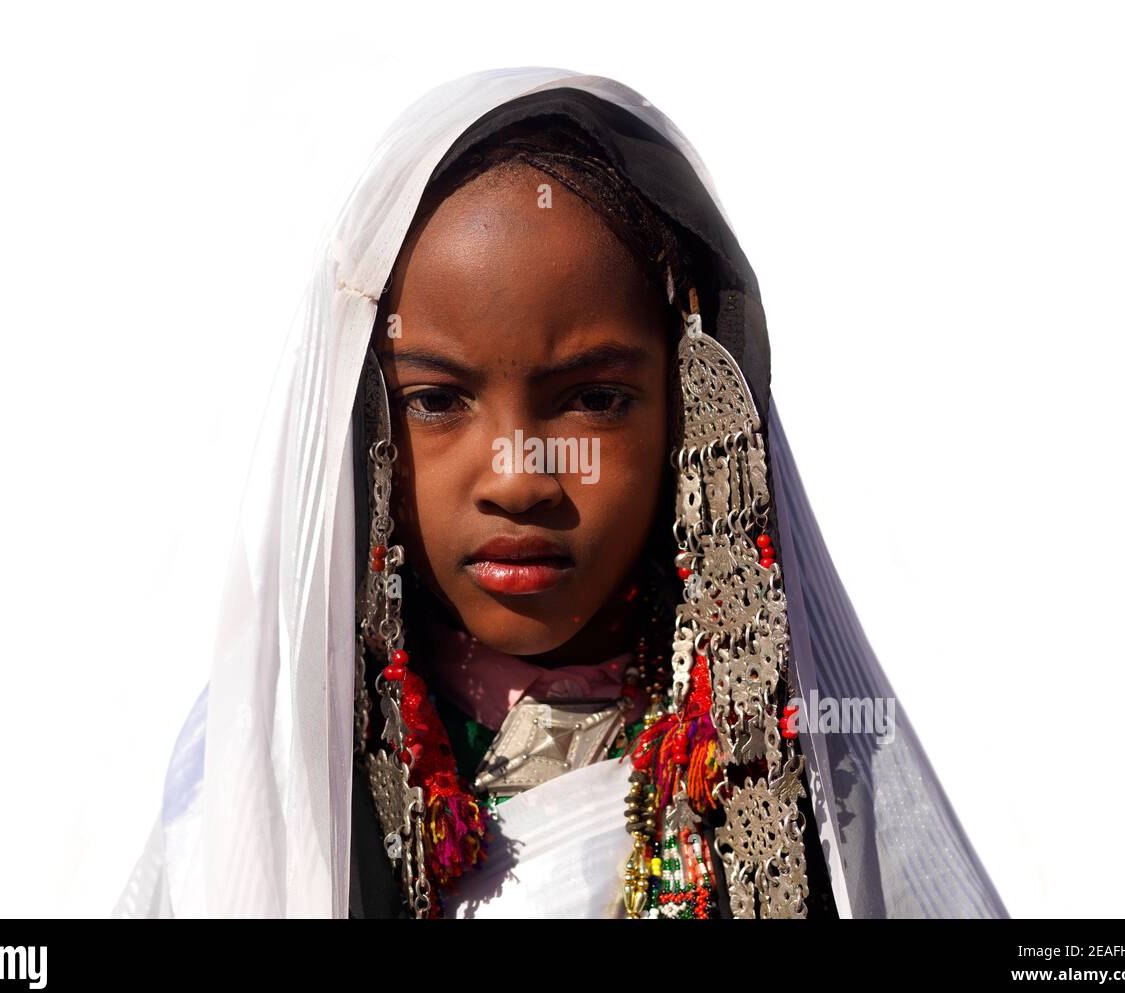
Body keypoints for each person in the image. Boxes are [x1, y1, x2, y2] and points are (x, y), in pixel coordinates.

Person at [114, 68, 1008, 920]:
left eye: (594, 399)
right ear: (366, 423)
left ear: (691, 415)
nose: (517, 476)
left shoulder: (815, 778)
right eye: (435, 401)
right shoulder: (262, 769)